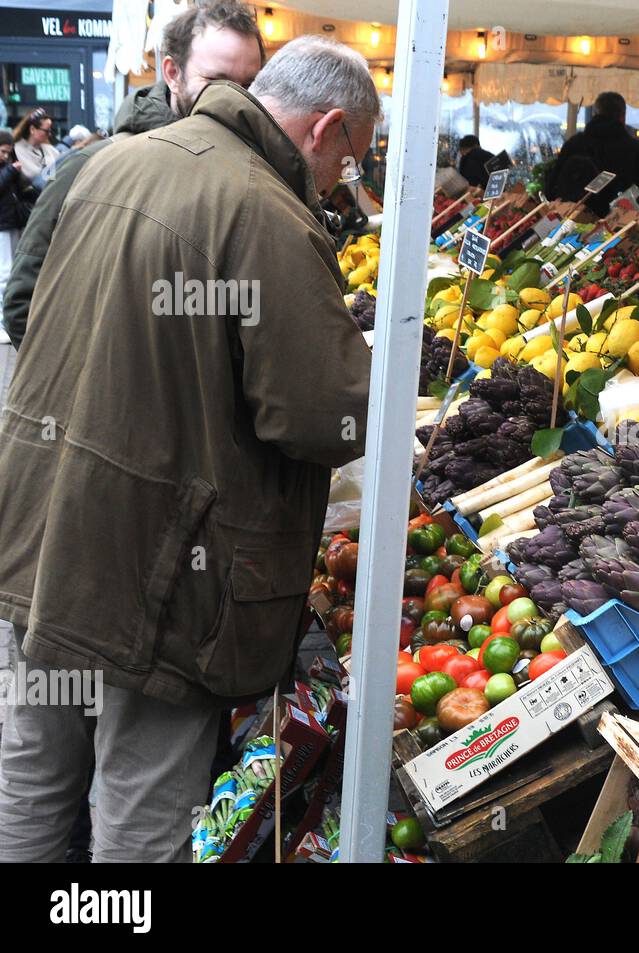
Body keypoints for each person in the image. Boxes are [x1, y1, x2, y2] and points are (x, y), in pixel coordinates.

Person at [0, 34, 376, 863]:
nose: (342, 185)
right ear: (328, 128)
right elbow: (321, 417)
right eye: (350, 162)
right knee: (140, 807)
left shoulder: (114, 163)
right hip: (161, 566)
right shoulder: (266, 211)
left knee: (35, 772)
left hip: (41, 529)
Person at [3, 0, 264, 351]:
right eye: (216, 82)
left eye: (248, 84)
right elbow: (23, 304)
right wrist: (97, 386)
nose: (236, 101)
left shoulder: (251, 169)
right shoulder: (90, 165)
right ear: (173, 73)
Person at [545, 91, 639, 214]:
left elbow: (551, 187)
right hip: (617, 226)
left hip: (573, 222)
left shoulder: (572, 144)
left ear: (594, 113)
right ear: (623, 116)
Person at [0, 131, 36, 304]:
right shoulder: (8, 169)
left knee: (11, 268)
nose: (6, 156)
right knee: (4, 272)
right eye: (3, 151)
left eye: (8, 152)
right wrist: (11, 170)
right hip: (2, 225)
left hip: (12, 222)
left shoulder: (8, 167)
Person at [11, 109, 59, 185]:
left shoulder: (50, 149)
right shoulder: (17, 149)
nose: (49, 134)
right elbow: (34, 175)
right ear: (32, 129)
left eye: (50, 130)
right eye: (46, 131)